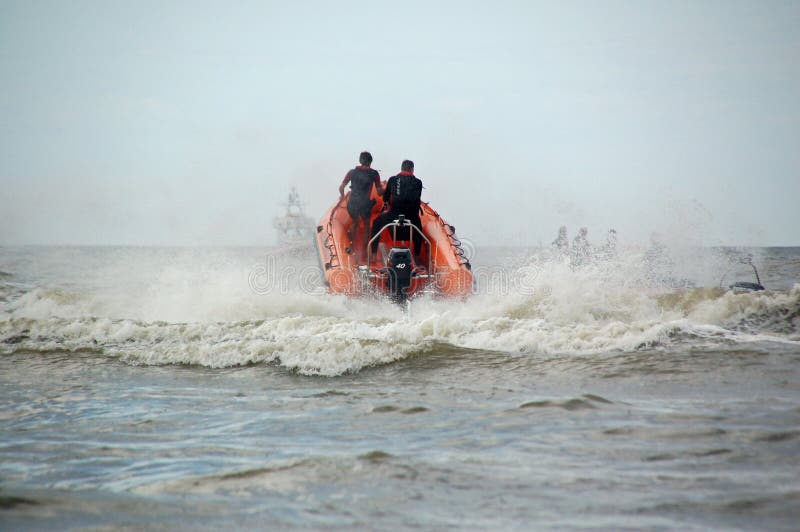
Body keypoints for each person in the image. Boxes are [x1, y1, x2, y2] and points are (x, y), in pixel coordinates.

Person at [370, 159, 423, 256]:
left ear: (402, 168)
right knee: (419, 230)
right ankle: (417, 254)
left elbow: (385, 198)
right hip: (412, 216)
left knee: (376, 223)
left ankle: (373, 254)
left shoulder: (393, 180)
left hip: (394, 215)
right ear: (412, 170)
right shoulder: (418, 182)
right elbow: (417, 201)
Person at [339, 151, 384, 260]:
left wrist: (342, 196)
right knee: (367, 225)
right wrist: (385, 189)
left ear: (360, 160)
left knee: (355, 221)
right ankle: (364, 252)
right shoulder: (374, 174)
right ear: (370, 162)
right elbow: (379, 192)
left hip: (352, 203)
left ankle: (350, 245)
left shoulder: (352, 172)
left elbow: (341, 187)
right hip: (364, 205)